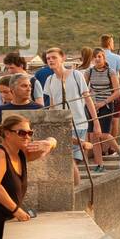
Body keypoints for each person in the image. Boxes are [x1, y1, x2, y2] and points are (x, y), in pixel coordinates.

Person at [43, 46, 104, 178]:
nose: (51, 60)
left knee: (72, 161)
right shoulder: (49, 80)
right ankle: (76, 186)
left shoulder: (76, 75)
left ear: (63, 58)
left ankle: (76, 187)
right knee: (66, 161)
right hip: (61, 125)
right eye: (48, 58)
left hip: (79, 124)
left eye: (54, 57)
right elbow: (52, 105)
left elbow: (88, 100)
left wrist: (96, 122)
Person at [86, 47, 120, 158]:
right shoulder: (89, 71)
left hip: (106, 105)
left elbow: (118, 92)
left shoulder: (110, 72)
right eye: (95, 57)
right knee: (93, 136)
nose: (97, 59)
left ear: (104, 58)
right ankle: (99, 165)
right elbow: (84, 90)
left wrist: (103, 102)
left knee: (103, 134)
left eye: (99, 56)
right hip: (92, 105)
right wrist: (91, 102)